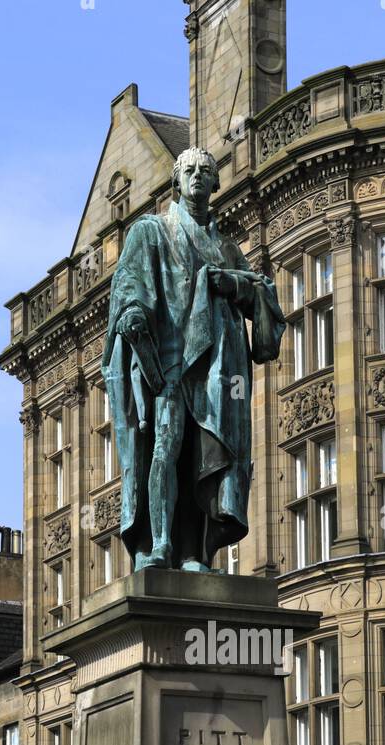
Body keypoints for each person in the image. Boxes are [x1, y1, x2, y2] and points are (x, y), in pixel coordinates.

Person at [102, 146, 285, 572]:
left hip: (217, 370)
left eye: (206, 170)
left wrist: (232, 284)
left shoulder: (225, 248)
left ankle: (194, 553)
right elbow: (129, 284)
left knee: (203, 458)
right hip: (167, 363)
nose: (198, 176)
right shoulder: (153, 231)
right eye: (190, 170)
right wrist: (132, 313)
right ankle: (160, 543)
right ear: (176, 181)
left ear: (216, 182)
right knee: (165, 448)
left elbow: (264, 300)